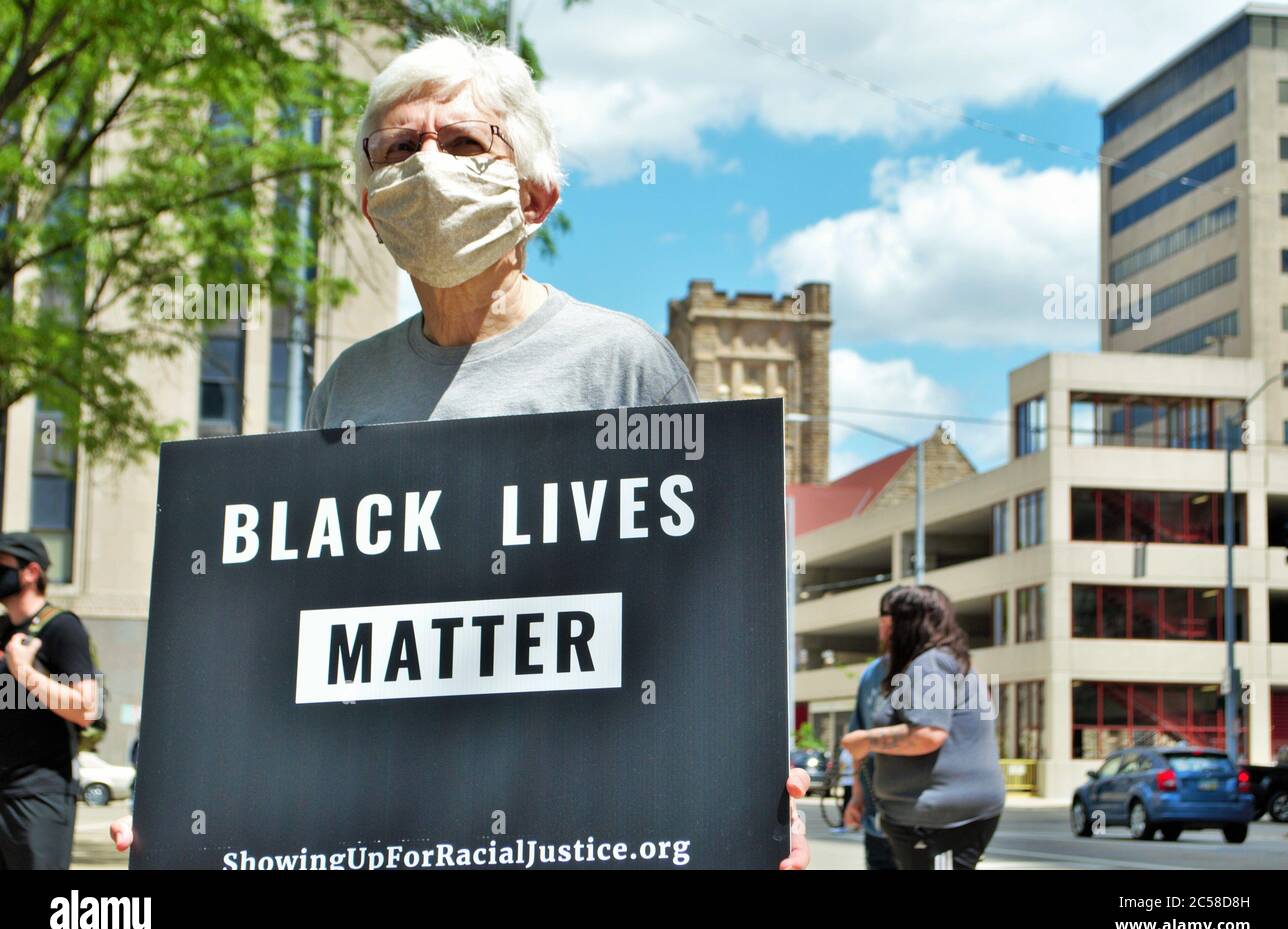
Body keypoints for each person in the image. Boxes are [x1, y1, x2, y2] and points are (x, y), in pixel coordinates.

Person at [111, 29, 810, 869]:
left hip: (577, 824)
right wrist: (188, 798)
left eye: (466, 141)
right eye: (400, 148)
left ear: (536, 196)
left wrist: (745, 797)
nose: (427, 165)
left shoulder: (622, 363)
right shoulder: (348, 384)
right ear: (372, 208)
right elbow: (300, 618)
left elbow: (704, 608)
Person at [841, 584, 1004, 870]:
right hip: (941, 816)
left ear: (903, 622)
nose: (882, 627)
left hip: (939, 820)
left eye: (886, 618)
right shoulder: (947, 661)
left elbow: (928, 734)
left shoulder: (930, 664)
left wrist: (865, 741)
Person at [0, 532, 100, 869]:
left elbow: (87, 709)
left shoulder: (62, 628)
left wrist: (23, 671)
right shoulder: (1, 629)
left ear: (30, 572)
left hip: (39, 796)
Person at [842, 651, 897, 869]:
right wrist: (857, 797)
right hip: (878, 819)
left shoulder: (936, 667)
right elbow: (859, 743)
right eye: (883, 616)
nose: (886, 624)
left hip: (924, 822)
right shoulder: (872, 673)